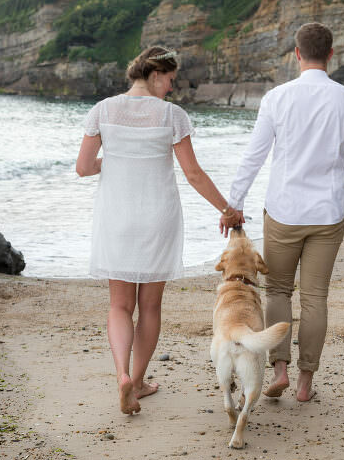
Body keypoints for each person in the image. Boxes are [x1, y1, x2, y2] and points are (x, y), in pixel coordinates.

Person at [77, 46, 242, 415]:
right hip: (157, 219)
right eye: (169, 81)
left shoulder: (102, 110)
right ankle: (137, 382)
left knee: (119, 305)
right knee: (149, 306)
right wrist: (227, 210)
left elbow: (84, 168)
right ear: (154, 75)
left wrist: (118, 157)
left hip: (116, 219)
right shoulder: (172, 116)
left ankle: (121, 375)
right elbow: (194, 174)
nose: (171, 88)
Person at [221, 23, 344, 402]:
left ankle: (280, 369)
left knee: (278, 291)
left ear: (297, 53)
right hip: (329, 212)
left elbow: (254, 155)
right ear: (331, 55)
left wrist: (233, 203)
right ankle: (306, 382)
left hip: (285, 211)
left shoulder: (276, 98)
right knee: (316, 297)